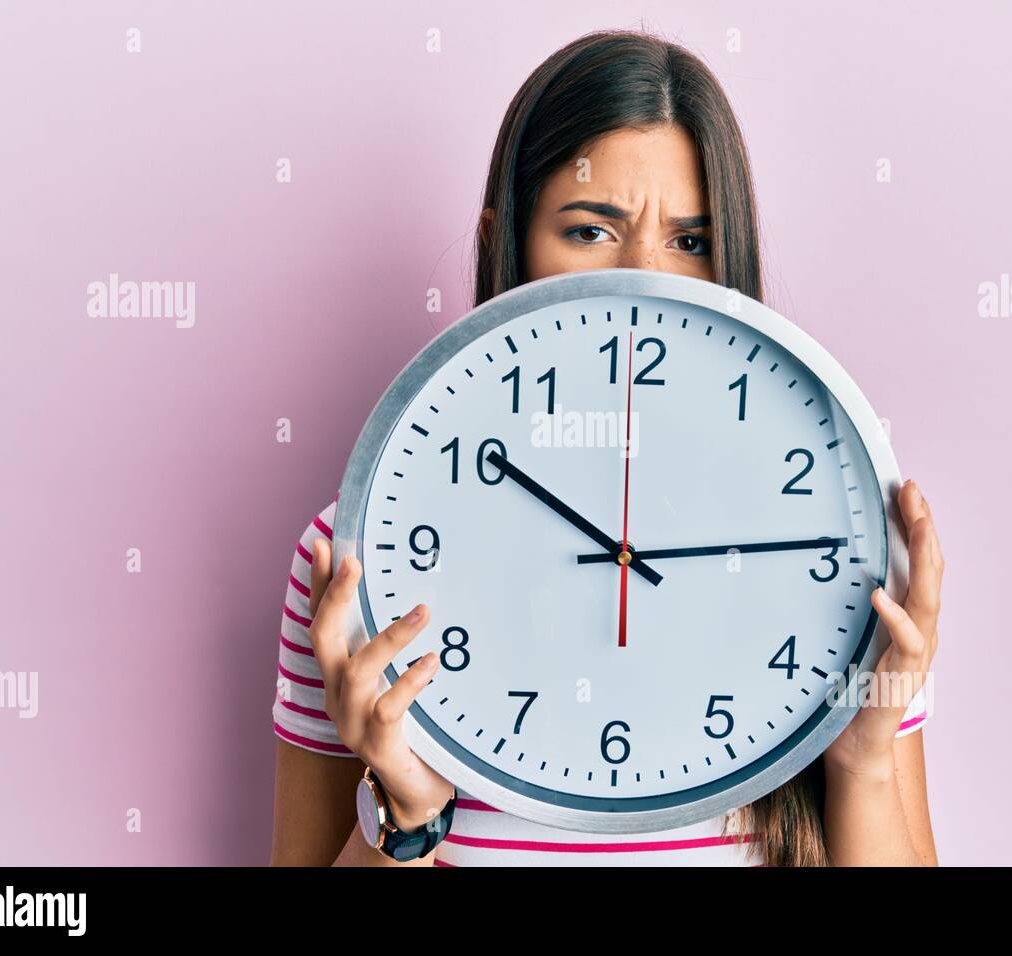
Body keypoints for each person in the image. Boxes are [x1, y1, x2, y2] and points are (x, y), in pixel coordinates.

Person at [270, 28, 943, 867]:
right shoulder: (350, 558)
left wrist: (862, 755)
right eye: (590, 231)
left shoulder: (850, 551)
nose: (644, 277)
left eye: (690, 243)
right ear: (503, 244)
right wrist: (409, 817)